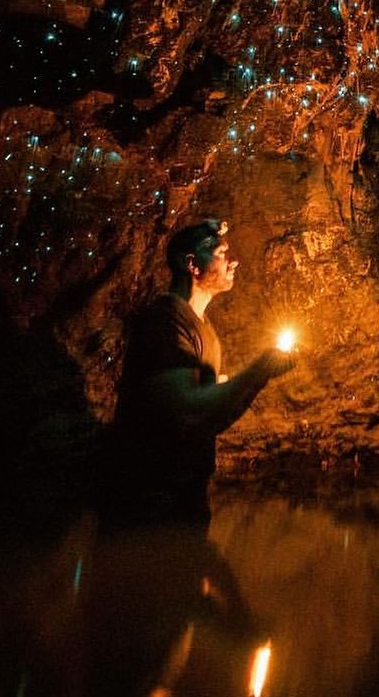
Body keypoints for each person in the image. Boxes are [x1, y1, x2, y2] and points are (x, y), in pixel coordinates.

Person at [106, 218, 294, 522]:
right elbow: (187, 411)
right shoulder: (165, 321)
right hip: (148, 504)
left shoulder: (206, 330)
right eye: (220, 253)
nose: (233, 262)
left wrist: (259, 376)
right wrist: (259, 370)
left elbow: (211, 418)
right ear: (191, 264)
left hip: (186, 498)